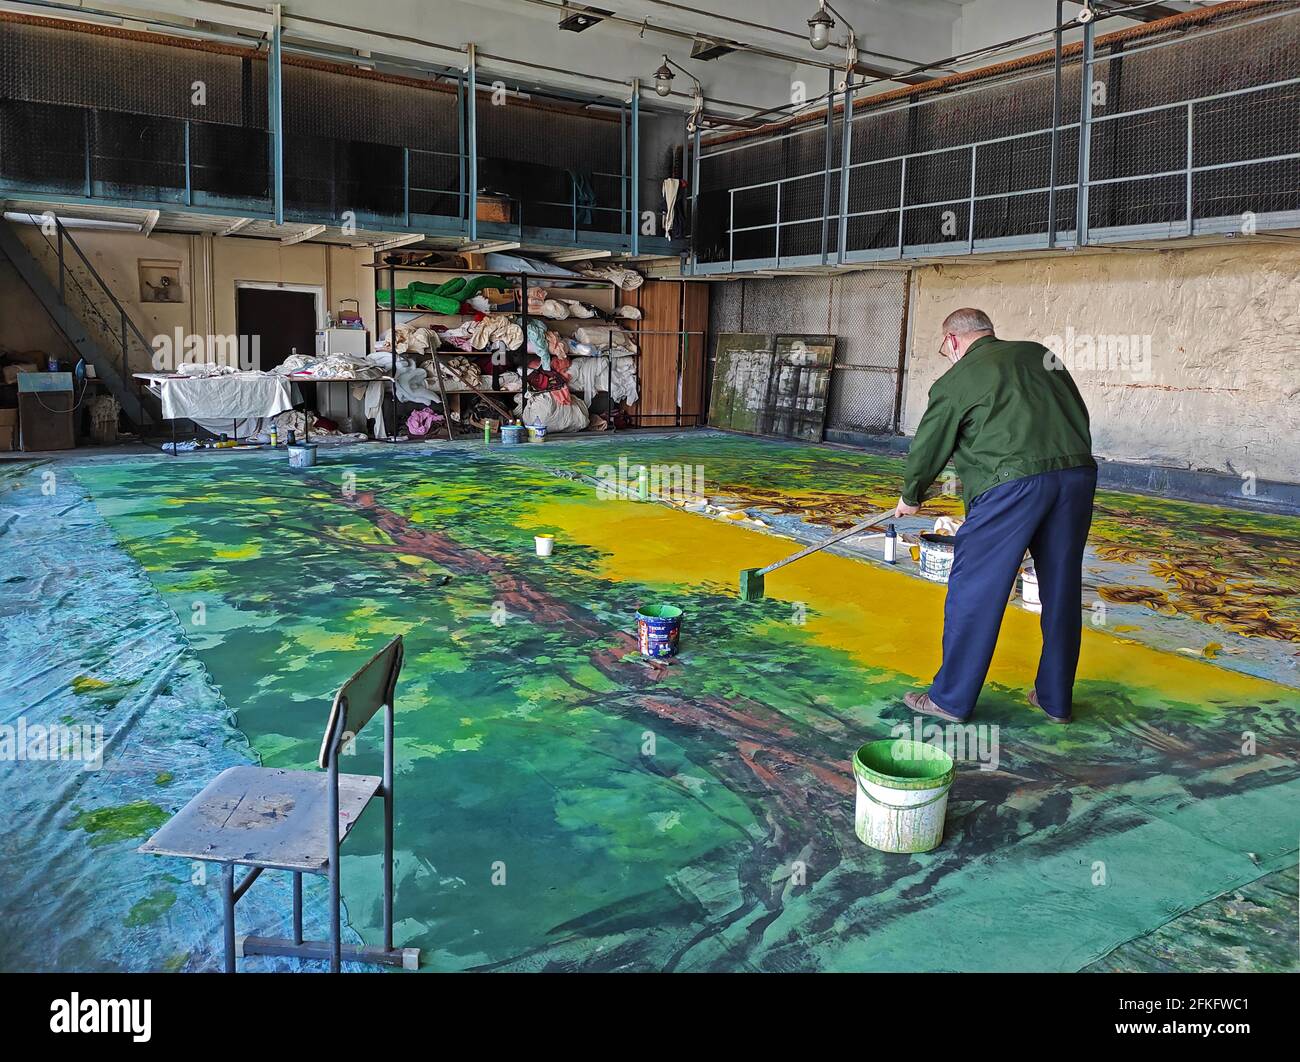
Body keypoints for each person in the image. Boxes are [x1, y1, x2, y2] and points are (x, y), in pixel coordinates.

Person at [894, 308, 1096, 724]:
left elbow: (929, 445)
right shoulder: (1039, 354)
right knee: (1060, 588)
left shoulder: (957, 379)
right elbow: (1077, 414)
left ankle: (949, 699)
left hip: (1011, 486)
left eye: (943, 349)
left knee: (976, 588)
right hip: (1075, 476)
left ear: (952, 341)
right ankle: (1055, 699)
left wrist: (911, 496)